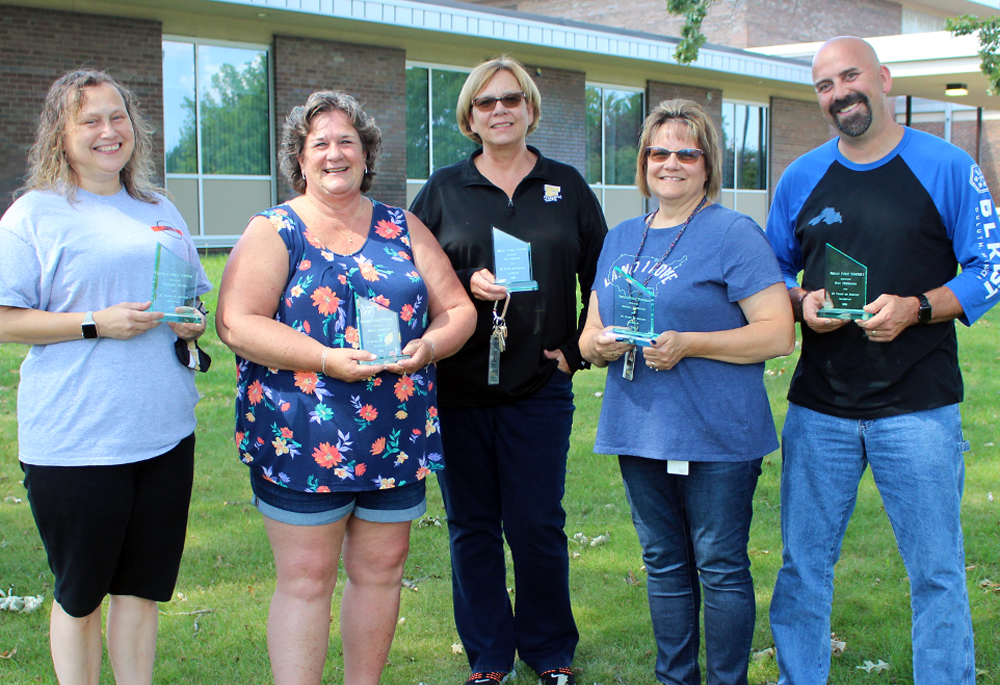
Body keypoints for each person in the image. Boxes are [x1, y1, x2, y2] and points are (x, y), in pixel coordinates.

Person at [215, 90, 475, 685]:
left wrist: (428, 347)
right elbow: (237, 322)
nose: (335, 154)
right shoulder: (276, 230)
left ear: (367, 154)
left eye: (347, 142)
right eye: (320, 144)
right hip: (302, 434)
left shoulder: (400, 225)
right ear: (299, 160)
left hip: (394, 431)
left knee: (383, 570)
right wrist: (325, 359)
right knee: (307, 579)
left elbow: (457, 309)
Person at [765, 36, 998, 685]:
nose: (839, 93)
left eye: (849, 76)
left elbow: (991, 267)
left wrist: (918, 307)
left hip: (919, 407)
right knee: (804, 566)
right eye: (824, 85)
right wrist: (801, 302)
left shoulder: (947, 165)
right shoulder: (801, 177)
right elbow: (772, 272)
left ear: (884, 78)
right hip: (821, 409)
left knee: (937, 572)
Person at [0, 70, 210, 685]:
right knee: (81, 593)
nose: (107, 131)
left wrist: (190, 323)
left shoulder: (160, 208)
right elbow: (6, 318)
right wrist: (95, 323)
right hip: (77, 439)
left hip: (165, 431)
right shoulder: (34, 213)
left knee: (141, 590)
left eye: (116, 116)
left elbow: (193, 298)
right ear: (60, 135)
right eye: (89, 120)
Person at [578, 99, 794, 685]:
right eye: (658, 151)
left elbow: (778, 333)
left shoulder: (733, 233)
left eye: (686, 152)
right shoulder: (621, 236)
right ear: (643, 161)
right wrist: (598, 346)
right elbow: (589, 332)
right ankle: (676, 679)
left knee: (720, 566)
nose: (670, 162)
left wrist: (689, 343)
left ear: (707, 165)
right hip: (640, 427)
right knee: (663, 565)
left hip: (719, 431)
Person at [409, 56, 607, 685]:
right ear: (470, 115)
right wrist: (465, 281)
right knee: (472, 527)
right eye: (487, 102)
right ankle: (490, 660)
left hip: (538, 387)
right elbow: (407, 279)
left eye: (511, 99)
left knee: (538, 524)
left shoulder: (566, 186)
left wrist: (574, 352)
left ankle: (550, 653)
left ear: (530, 108)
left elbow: (603, 279)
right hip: (457, 388)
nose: (500, 110)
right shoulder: (443, 190)